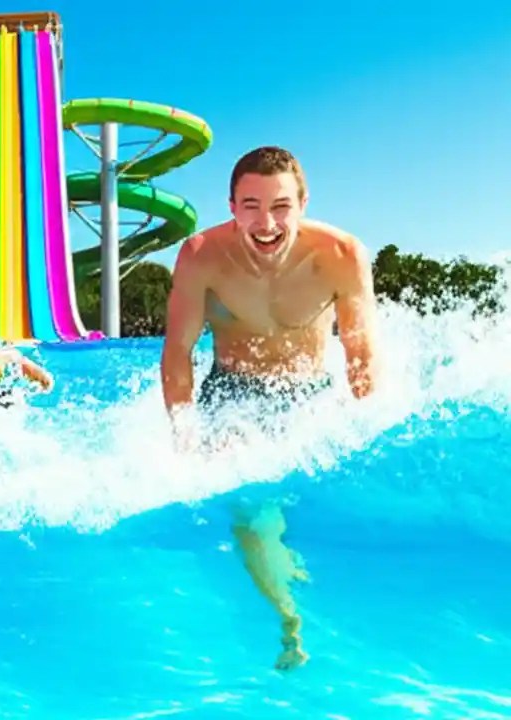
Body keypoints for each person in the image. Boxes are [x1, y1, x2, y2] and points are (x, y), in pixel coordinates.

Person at [161, 146, 381, 671]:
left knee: (297, 502)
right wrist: (185, 434)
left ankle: (292, 572)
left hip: (309, 393)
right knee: (252, 504)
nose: (266, 223)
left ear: (303, 203)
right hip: (231, 393)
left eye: (280, 206)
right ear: (232, 206)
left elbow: (361, 355)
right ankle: (287, 616)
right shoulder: (201, 256)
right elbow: (178, 354)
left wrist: (367, 430)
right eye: (251, 206)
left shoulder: (342, 255)